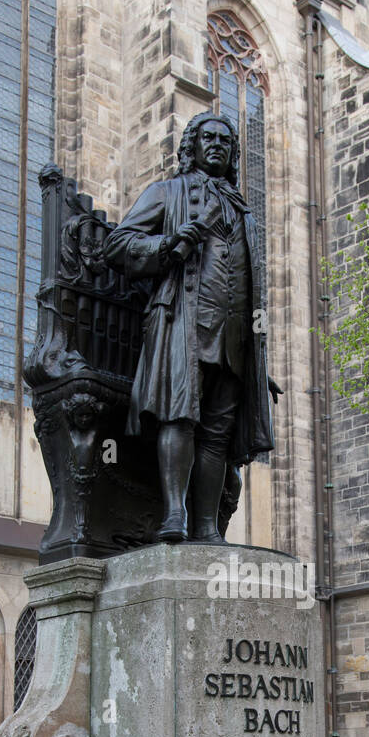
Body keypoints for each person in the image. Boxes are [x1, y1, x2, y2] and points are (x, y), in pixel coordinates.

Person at [105, 113, 279, 543]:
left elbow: (250, 287)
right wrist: (168, 243)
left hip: (235, 337)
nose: (217, 145)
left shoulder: (245, 215)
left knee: (218, 431)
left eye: (225, 140)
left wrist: (259, 358)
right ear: (192, 147)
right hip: (182, 322)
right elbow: (118, 244)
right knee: (179, 414)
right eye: (208, 138)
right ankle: (173, 516)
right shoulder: (167, 193)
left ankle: (206, 527)